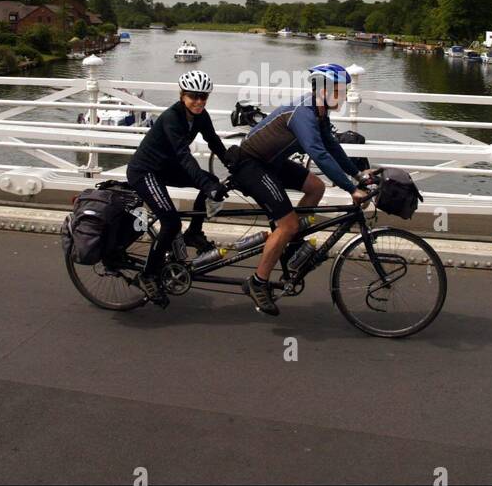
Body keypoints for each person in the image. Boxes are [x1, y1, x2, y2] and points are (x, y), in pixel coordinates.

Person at [229, 63, 370, 316]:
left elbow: (333, 148)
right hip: (251, 165)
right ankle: (258, 282)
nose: (344, 95)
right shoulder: (304, 114)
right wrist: (351, 189)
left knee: (315, 187)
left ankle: (291, 242)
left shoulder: (319, 111)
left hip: (272, 163)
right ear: (324, 90)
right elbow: (319, 154)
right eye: (339, 90)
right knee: (287, 224)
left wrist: (358, 175)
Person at [125, 70, 230, 307]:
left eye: (204, 97)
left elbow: (215, 143)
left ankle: (193, 233)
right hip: (146, 171)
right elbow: (184, 156)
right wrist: (205, 185)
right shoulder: (172, 117)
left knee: (211, 181)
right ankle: (148, 275)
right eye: (194, 96)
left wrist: (236, 168)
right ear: (182, 95)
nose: (200, 101)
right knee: (171, 223)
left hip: (167, 168)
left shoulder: (201, 116)